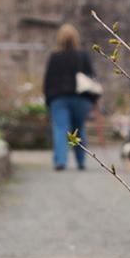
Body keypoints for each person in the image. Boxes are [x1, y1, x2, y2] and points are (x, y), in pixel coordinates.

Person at [42, 23, 97, 170]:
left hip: (59, 99)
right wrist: (92, 100)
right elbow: (91, 78)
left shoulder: (55, 57)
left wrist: (48, 100)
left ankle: (61, 161)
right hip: (81, 99)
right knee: (80, 129)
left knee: (61, 129)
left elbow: (48, 80)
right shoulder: (82, 56)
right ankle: (81, 161)